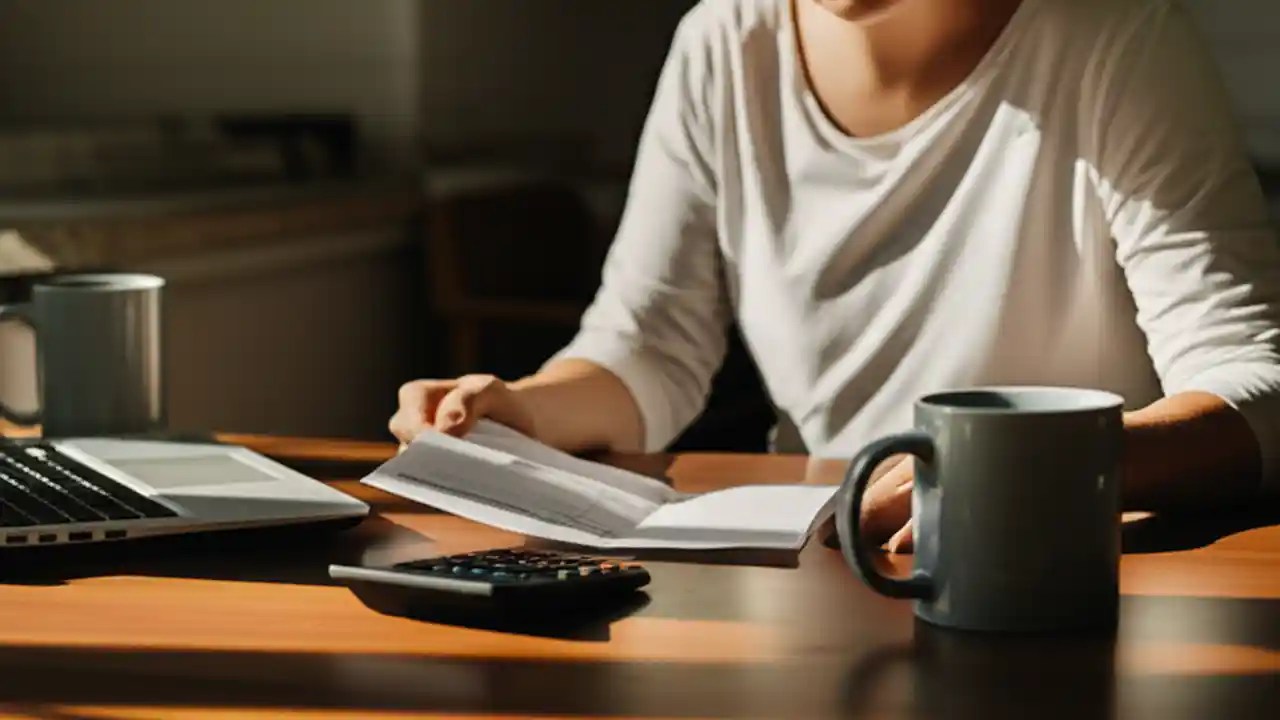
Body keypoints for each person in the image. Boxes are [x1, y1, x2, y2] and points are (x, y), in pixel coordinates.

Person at [392, 0, 1280, 552]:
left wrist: (1029, 471)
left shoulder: (1113, 37)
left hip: (1047, 582)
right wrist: (525, 409)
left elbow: (1257, 388)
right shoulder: (722, 43)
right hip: (820, 563)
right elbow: (648, 349)